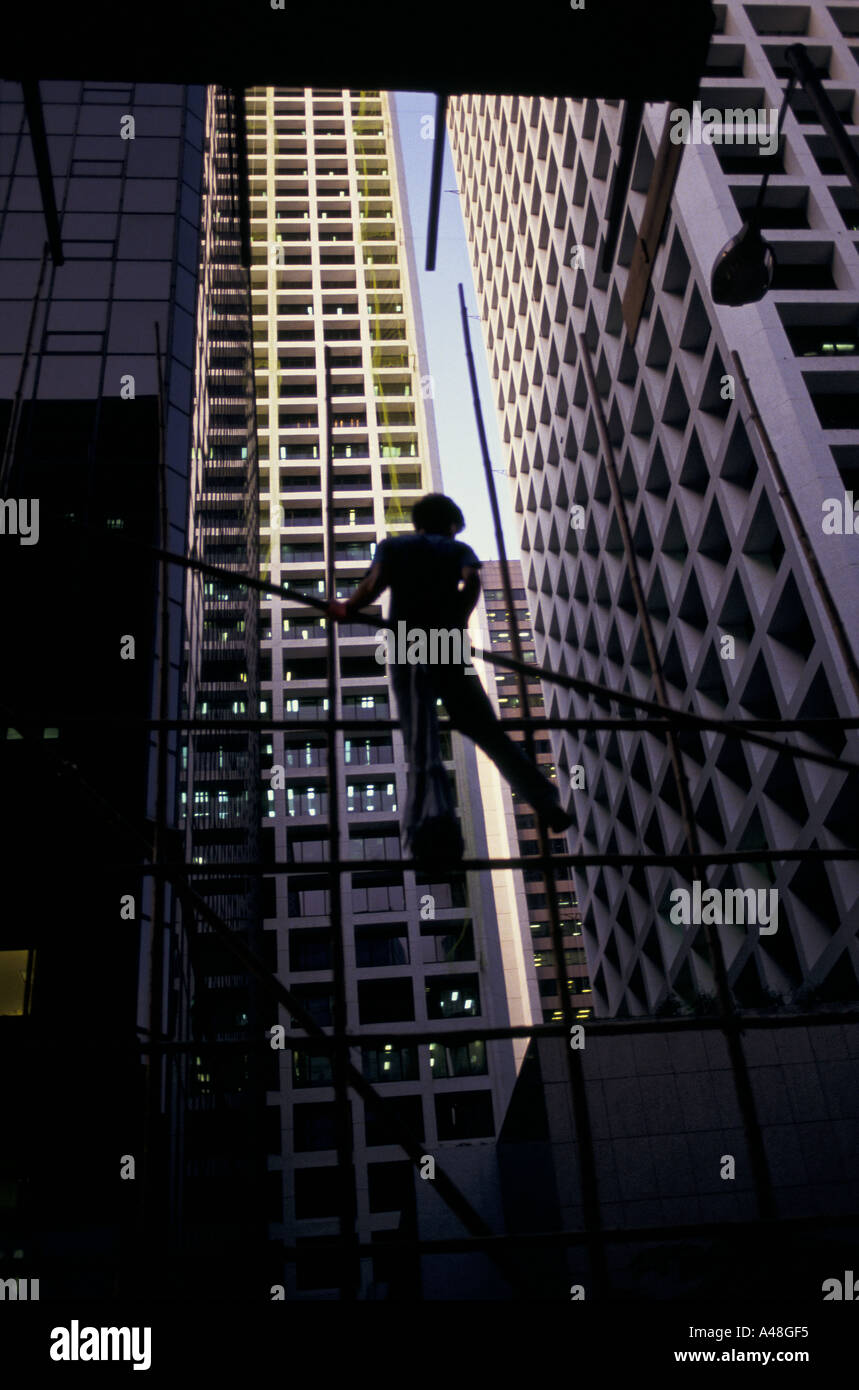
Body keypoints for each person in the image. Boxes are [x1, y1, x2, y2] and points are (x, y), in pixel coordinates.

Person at [327, 492, 573, 864]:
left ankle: (434, 821)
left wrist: (347, 607)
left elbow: (374, 584)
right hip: (447, 643)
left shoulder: (395, 547)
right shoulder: (456, 550)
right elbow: (472, 581)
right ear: (450, 524)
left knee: (420, 732)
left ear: (419, 521)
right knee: (487, 730)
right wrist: (456, 615)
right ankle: (546, 802)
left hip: (409, 641)